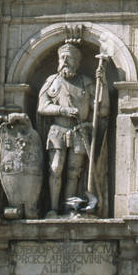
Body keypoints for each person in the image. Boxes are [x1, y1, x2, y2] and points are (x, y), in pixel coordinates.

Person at [37, 44, 110, 214]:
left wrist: (104, 85)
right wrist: (63, 110)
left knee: (73, 172)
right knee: (55, 168)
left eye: (69, 58)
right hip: (58, 131)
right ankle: (53, 209)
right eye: (62, 58)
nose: (64, 61)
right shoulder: (52, 81)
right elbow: (42, 106)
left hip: (79, 132)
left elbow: (103, 110)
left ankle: (68, 209)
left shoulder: (87, 83)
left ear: (77, 62)